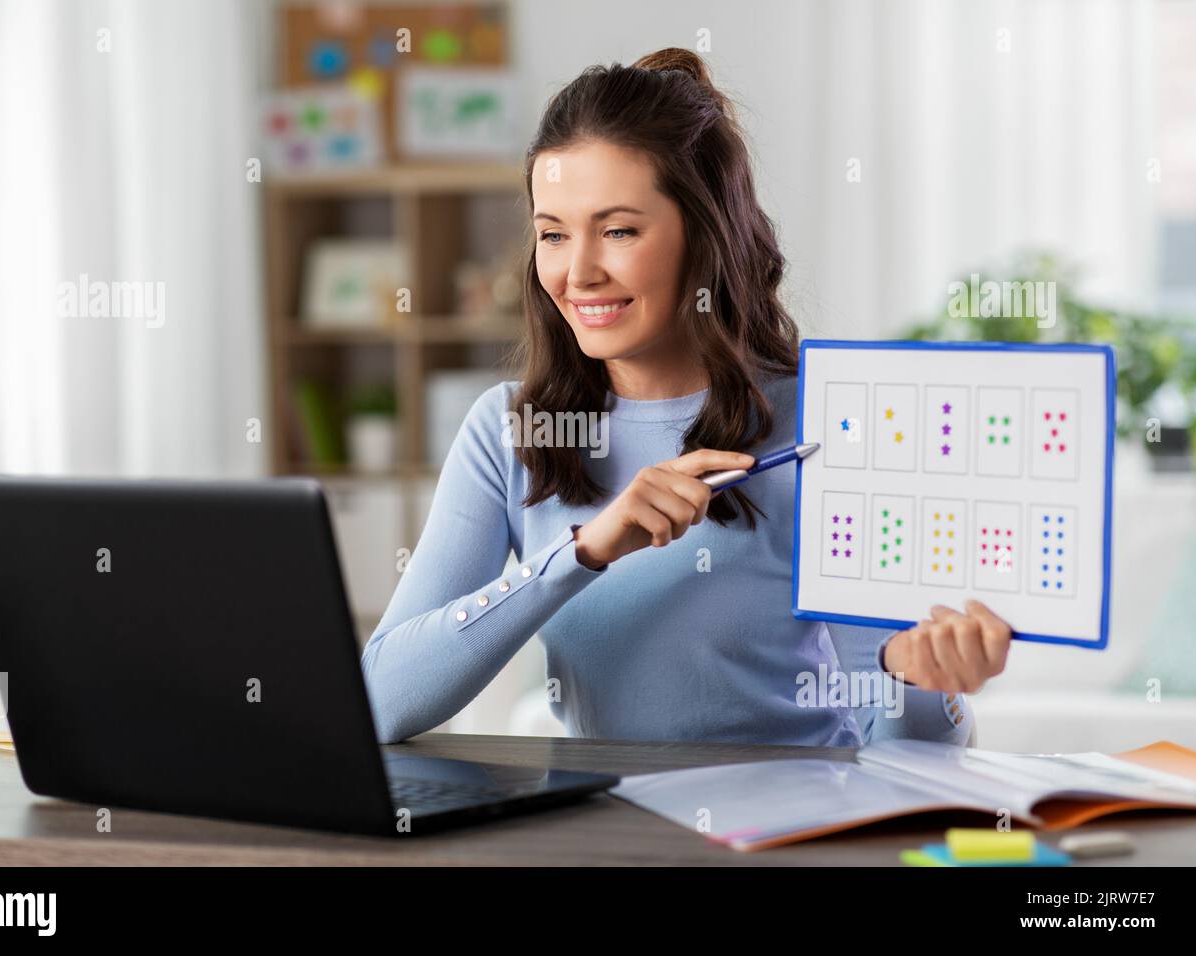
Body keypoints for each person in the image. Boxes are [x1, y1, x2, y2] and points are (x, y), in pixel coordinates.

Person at [360, 48, 1012, 746]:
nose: (578, 272)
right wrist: (581, 554)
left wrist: (920, 681)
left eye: (618, 231)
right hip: (608, 833)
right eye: (553, 234)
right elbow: (382, 699)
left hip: (794, 831)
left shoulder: (824, 422)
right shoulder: (509, 431)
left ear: (705, 237)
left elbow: (905, 742)